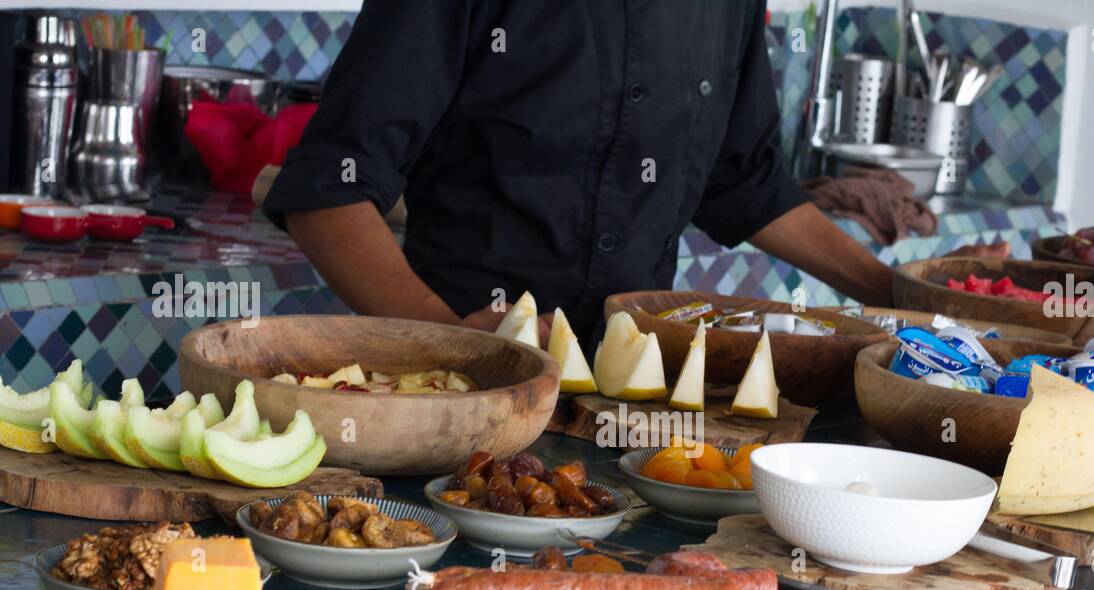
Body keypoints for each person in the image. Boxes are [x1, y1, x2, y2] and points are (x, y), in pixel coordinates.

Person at [265, 0, 1006, 342]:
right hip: (460, 389)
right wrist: (455, 342)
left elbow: (738, 180)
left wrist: (913, 300)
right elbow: (328, 193)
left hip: (637, 397)